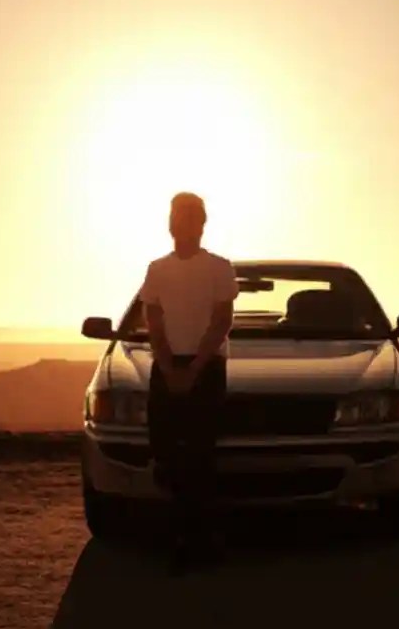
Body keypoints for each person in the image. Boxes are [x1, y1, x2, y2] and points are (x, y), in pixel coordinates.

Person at [139, 191, 238, 575]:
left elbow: (222, 321)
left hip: (207, 367)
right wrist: (166, 366)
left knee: (200, 455)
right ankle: (179, 535)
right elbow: (154, 321)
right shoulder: (156, 269)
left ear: (201, 223)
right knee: (165, 452)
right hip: (166, 367)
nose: (179, 222)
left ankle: (199, 541)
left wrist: (194, 370)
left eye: (187, 216)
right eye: (175, 215)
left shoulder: (218, 268)